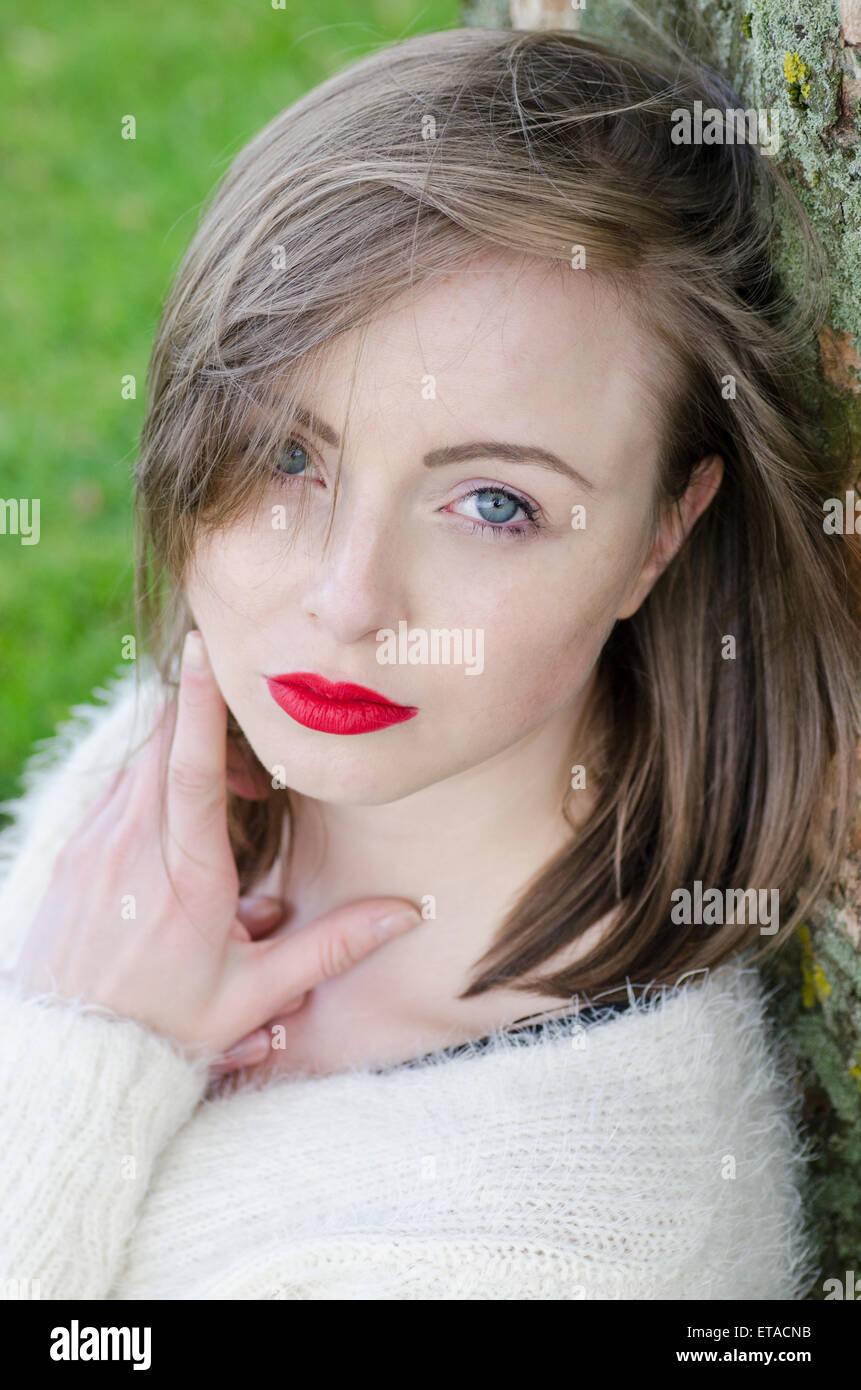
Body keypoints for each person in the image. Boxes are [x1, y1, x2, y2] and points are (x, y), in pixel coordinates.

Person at [0, 25, 857, 1300]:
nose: (344, 605)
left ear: (662, 535)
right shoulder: (191, 759)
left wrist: (84, 1044)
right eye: (291, 456)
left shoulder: (554, 1251)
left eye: (495, 503)